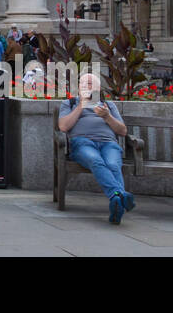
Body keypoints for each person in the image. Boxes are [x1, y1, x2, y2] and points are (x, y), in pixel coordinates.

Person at [57, 72, 134, 224]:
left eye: (90, 84)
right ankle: (119, 195)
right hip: (83, 143)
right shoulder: (70, 103)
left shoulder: (109, 106)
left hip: (108, 144)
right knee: (96, 160)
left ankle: (116, 201)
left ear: (98, 89)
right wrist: (81, 105)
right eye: (83, 84)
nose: (86, 86)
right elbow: (63, 127)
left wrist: (107, 117)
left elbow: (123, 131)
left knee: (113, 164)